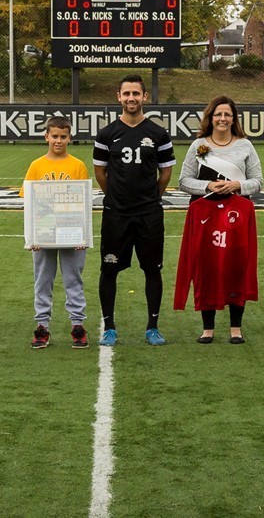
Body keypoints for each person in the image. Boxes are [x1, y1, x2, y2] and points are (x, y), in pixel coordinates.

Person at [91, 75, 175, 346]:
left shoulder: (158, 133)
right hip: (116, 213)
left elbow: (165, 173)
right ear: (118, 97)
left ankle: (152, 327)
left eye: (135, 94)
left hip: (149, 214)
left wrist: (150, 197)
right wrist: (117, 196)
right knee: (109, 269)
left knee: (152, 269)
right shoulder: (106, 134)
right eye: (126, 93)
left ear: (144, 97)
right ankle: (109, 327)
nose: (131, 98)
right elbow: (100, 173)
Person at [175, 97, 263, 344]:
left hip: (236, 217)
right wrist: (208, 186)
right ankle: (208, 328)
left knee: (237, 266)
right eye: (218, 114)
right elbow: (183, 181)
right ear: (210, 118)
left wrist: (238, 185)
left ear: (234, 119)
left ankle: (236, 327)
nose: (222, 119)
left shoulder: (245, 145)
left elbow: (258, 181)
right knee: (207, 269)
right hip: (204, 215)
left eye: (227, 114)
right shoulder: (198, 145)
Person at [25, 116, 90, 349]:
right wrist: (33, 236)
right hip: (44, 234)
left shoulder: (77, 165)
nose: (59, 141)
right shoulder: (36, 165)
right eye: (54, 136)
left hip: (71, 234)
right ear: (46, 137)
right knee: (43, 280)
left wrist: (83, 236)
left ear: (70, 137)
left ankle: (77, 325)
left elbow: (83, 203)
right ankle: (42, 326)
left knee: (74, 280)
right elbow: (30, 203)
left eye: (63, 136)